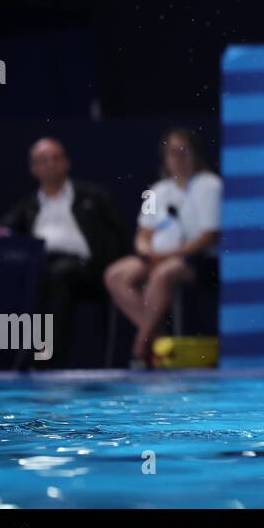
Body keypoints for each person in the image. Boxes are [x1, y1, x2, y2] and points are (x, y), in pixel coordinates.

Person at [0, 139, 128, 368]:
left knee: (58, 274)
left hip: (88, 269)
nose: (50, 164)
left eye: (55, 158)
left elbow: (120, 233)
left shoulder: (92, 196)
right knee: (42, 277)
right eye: (43, 160)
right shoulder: (28, 205)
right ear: (33, 169)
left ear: (66, 163)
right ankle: (0, 358)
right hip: (44, 270)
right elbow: (3, 228)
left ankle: (44, 359)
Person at [103, 129, 222, 366]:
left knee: (162, 273)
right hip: (157, 256)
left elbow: (209, 236)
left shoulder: (211, 185)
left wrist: (166, 256)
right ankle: (157, 339)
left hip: (196, 259)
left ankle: (141, 346)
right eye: (172, 153)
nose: (178, 158)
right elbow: (143, 233)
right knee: (115, 275)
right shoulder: (156, 191)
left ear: (195, 155)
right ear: (165, 158)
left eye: (183, 152)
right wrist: (145, 250)